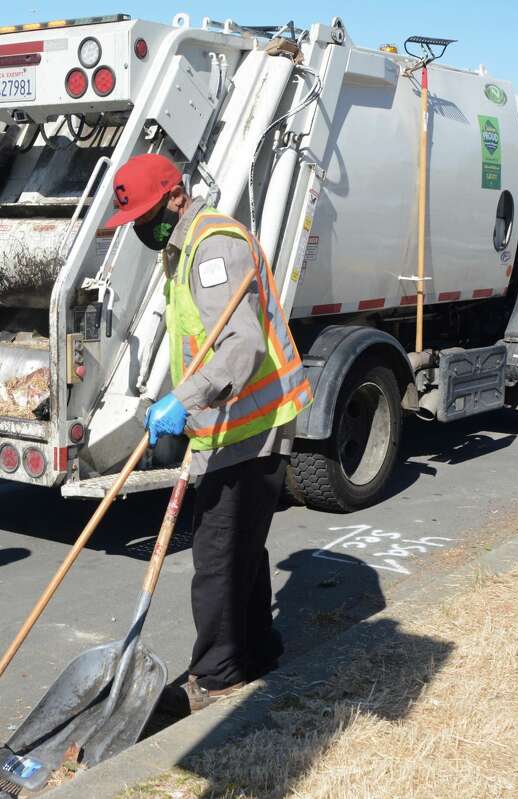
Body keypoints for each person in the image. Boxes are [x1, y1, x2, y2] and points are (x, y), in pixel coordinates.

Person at [102, 154, 311, 712]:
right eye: (135, 221)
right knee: (242, 546)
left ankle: (218, 677)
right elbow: (197, 339)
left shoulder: (214, 246)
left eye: (148, 216)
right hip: (227, 421)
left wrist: (186, 399)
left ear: (176, 197)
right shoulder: (186, 245)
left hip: (250, 423)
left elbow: (239, 347)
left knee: (217, 555)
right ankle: (258, 649)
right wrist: (167, 398)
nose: (144, 229)